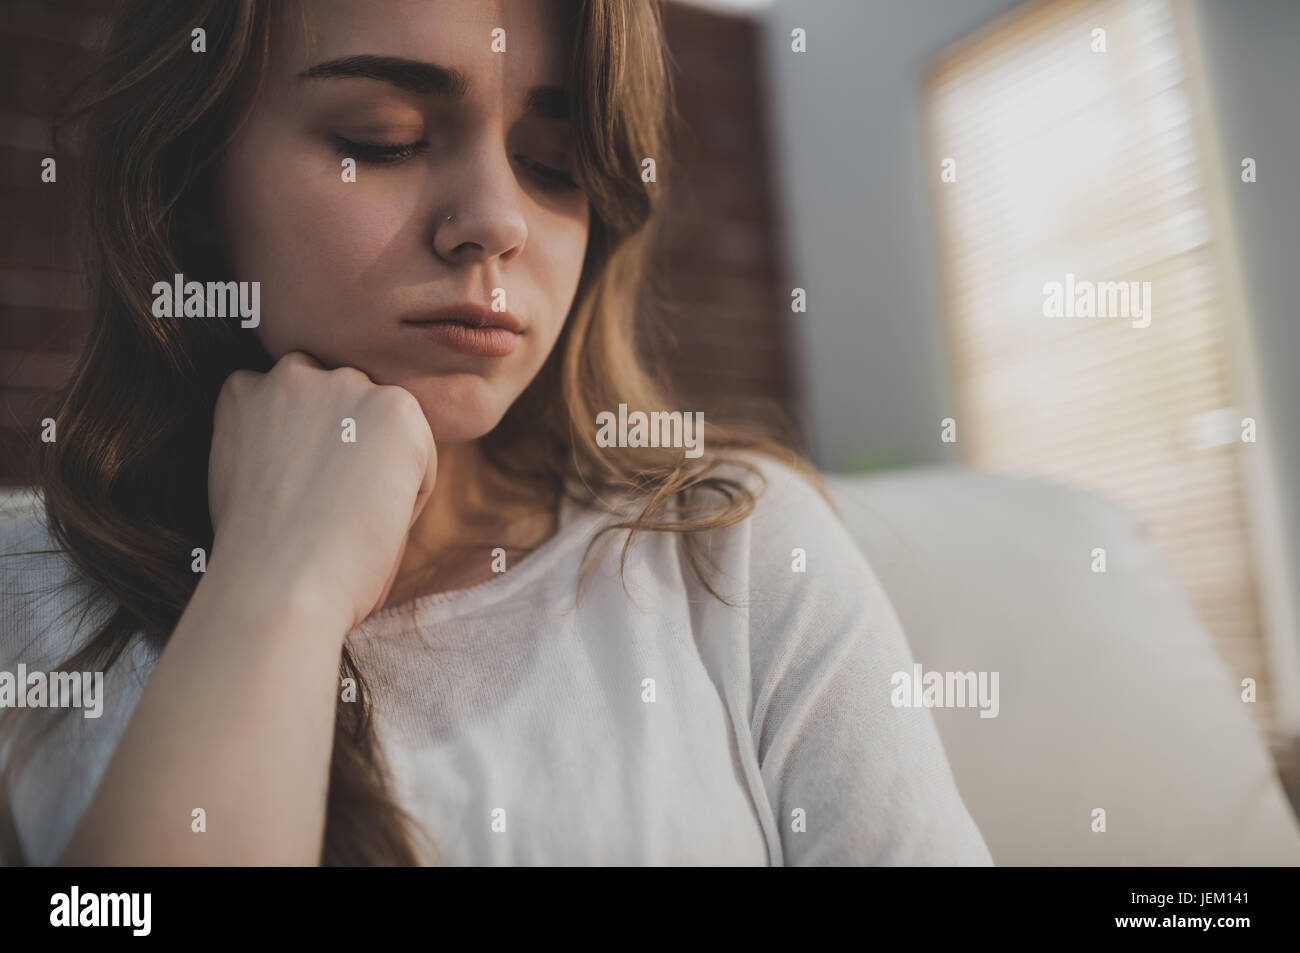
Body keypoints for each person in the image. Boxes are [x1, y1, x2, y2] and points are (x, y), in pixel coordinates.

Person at [0, 0, 992, 866]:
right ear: (192, 177)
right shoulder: (22, 596)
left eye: (553, 164)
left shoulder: (730, 551)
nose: (495, 220)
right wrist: (274, 581)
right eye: (381, 137)